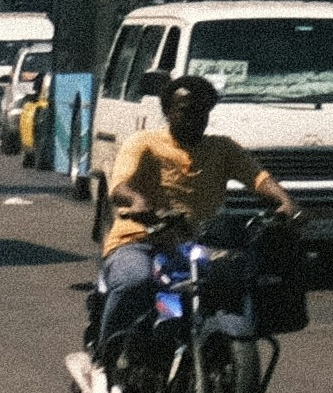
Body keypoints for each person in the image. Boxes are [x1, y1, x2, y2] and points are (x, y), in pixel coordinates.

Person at [90, 72, 300, 362]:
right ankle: (106, 360)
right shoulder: (144, 143)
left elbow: (258, 177)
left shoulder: (222, 148)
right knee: (135, 282)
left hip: (193, 245)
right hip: (138, 241)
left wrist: (285, 202)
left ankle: (207, 352)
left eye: (202, 112)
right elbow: (120, 186)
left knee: (235, 281)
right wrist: (139, 202)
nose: (195, 119)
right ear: (167, 112)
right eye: (187, 112)